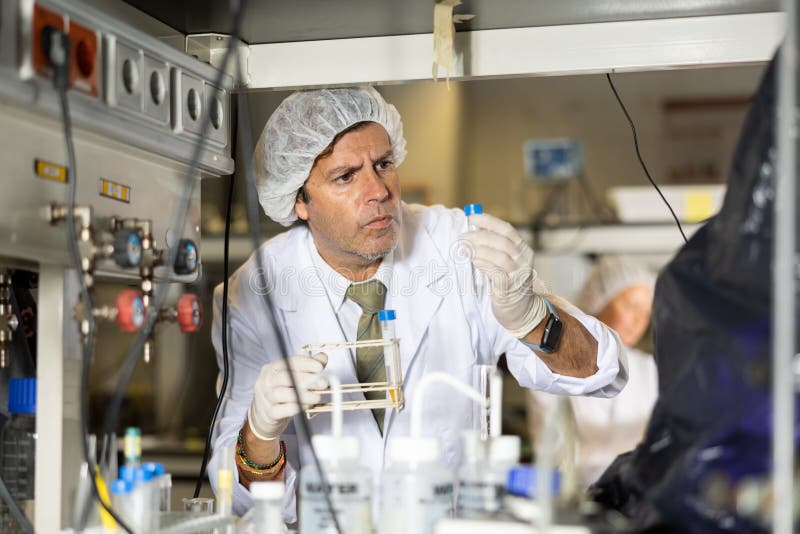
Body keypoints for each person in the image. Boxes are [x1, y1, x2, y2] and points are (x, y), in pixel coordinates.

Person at [208, 87, 628, 522]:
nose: (378, 190)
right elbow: (237, 498)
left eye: (384, 164)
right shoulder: (255, 292)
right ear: (299, 201)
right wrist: (259, 434)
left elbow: (602, 371)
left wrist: (534, 320)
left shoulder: (459, 246)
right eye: (345, 176)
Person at [528, 256, 658, 490]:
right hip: (571, 498)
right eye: (630, 306)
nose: (639, 320)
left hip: (636, 498)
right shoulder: (551, 365)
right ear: (598, 301)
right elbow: (554, 454)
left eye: (646, 312)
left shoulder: (651, 371)